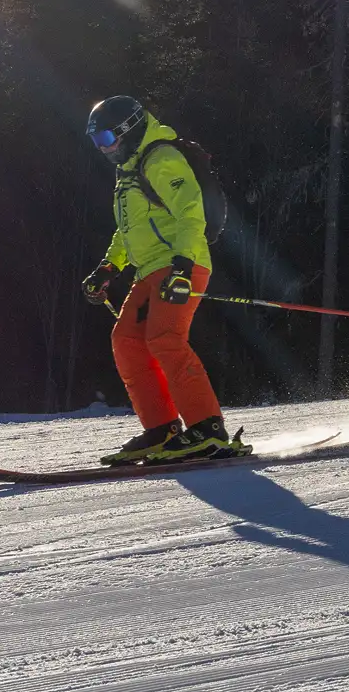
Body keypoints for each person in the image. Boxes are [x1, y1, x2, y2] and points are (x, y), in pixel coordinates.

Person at [81, 95, 248, 464]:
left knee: (164, 338)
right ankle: (163, 428)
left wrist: (184, 267)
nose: (104, 149)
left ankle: (208, 429)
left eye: (106, 138)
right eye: (97, 142)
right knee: (126, 340)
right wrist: (109, 268)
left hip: (179, 265)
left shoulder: (161, 159)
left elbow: (190, 212)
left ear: (128, 130)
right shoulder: (129, 169)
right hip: (150, 269)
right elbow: (128, 230)